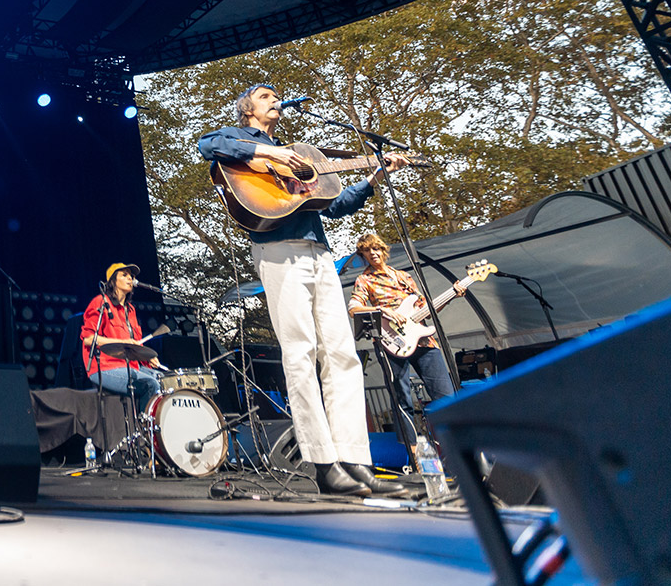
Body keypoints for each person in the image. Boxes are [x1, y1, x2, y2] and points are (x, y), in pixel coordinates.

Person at [198, 83, 410, 499]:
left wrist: (375, 176)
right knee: (301, 351)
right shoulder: (242, 141)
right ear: (248, 108)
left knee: (342, 354)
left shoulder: (305, 157)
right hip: (278, 251)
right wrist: (272, 154)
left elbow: (335, 203)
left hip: (320, 253)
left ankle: (355, 459)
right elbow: (208, 143)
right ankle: (323, 464)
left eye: (276, 95)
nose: (273, 99)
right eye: (264, 96)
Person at [349, 232, 459, 412]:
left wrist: (452, 294)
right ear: (363, 256)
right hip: (392, 341)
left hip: (423, 340)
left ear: (383, 250)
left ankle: (452, 438)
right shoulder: (364, 279)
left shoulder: (404, 277)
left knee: (446, 395)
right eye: (367, 251)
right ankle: (411, 441)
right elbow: (353, 309)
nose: (372, 253)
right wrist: (382, 310)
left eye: (375, 248)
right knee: (402, 398)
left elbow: (427, 310)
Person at [79, 263, 162, 409]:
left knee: (162, 380)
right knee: (150, 384)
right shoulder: (101, 302)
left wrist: (148, 358)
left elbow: (135, 344)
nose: (130, 278)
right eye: (124, 275)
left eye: (131, 275)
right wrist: (124, 342)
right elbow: (89, 339)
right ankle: (145, 430)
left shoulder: (131, 310)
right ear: (113, 281)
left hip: (130, 366)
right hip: (105, 368)